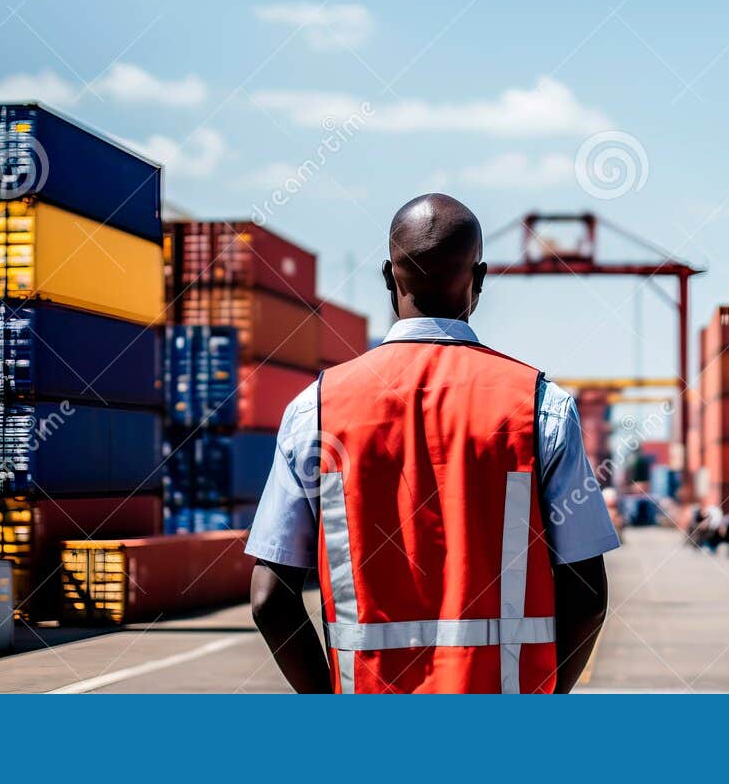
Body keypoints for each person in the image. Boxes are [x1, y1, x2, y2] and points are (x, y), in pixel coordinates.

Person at [246, 194, 620, 694]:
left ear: (387, 277)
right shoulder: (540, 406)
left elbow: (270, 599)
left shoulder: (314, 411)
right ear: (480, 279)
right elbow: (588, 594)